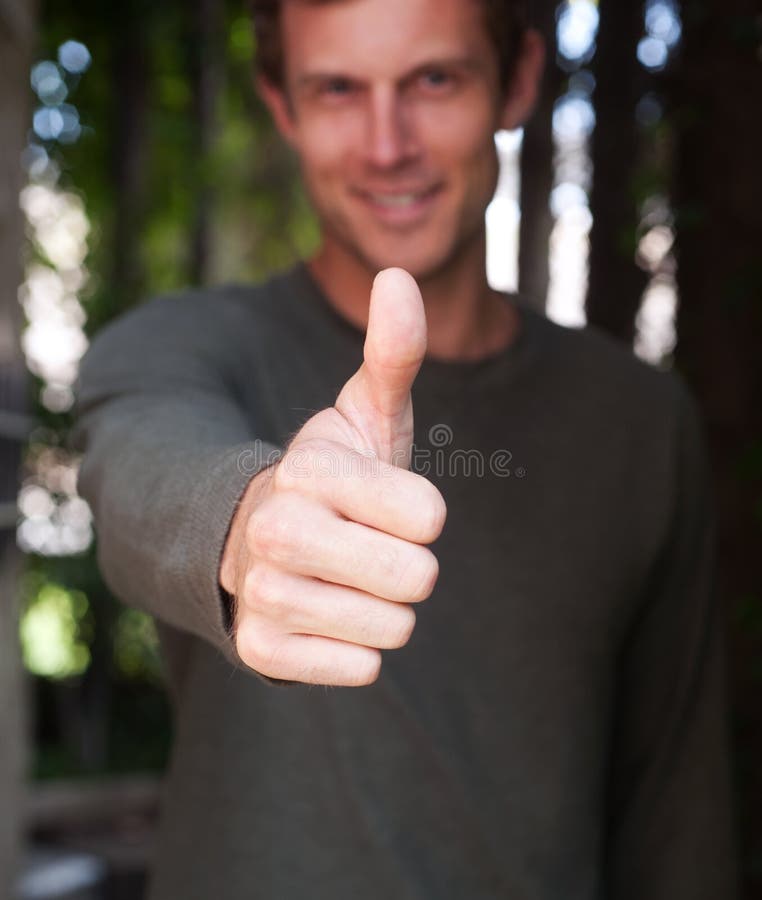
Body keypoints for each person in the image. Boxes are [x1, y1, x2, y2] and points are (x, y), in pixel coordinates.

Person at [73, 0, 738, 897]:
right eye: (338, 89)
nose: (388, 145)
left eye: (434, 80)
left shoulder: (643, 424)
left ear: (520, 81)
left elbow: (676, 820)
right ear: (282, 105)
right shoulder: (181, 348)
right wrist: (244, 521)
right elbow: (137, 462)